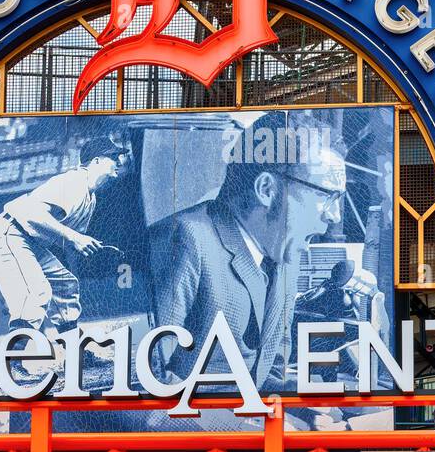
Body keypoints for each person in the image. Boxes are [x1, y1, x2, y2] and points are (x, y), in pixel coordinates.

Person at [147, 113, 347, 390]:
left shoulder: (286, 255)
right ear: (266, 189)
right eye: (327, 196)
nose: (335, 215)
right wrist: (243, 428)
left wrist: (310, 408)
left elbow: (273, 372)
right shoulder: (186, 238)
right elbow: (148, 381)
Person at [0, 134, 132, 338]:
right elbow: (33, 214)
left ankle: (74, 350)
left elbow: (67, 238)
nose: (118, 162)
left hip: (28, 240)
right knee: (35, 294)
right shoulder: (73, 182)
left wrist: (89, 246)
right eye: (114, 157)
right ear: (97, 160)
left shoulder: (90, 197)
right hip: (7, 233)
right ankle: (14, 360)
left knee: (65, 285)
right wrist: (75, 238)